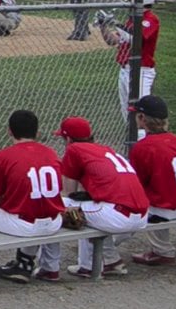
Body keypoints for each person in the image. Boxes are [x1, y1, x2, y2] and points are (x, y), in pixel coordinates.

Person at [0, 110, 66, 285]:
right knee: (34, 208)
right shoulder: (51, 153)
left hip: (24, 225)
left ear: (10, 131)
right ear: (37, 132)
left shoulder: (3, 156)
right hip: (54, 223)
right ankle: (25, 263)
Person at [50, 116, 148, 278]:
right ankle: (112, 261)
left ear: (68, 139)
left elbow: (68, 192)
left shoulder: (74, 150)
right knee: (87, 209)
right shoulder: (106, 150)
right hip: (141, 214)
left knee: (67, 207)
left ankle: (85, 267)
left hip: (118, 215)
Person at [126, 95, 176, 266]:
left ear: (143, 119)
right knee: (160, 193)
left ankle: (106, 256)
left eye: (137, 115)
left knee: (128, 208)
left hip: (163, 209)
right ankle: (162, 250)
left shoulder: (143, 147)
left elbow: (138, 185)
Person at [96, 0, 159, 119]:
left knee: (141, 113)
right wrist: (104, 25)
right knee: (127, 113)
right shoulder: (132, 19)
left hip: (140, 70)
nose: (128, 1)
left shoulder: (150, 19)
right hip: (125, 69)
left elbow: (135, 38)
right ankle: (131, 139)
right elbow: (114, 41)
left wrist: (115, 23)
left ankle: (143, 138)